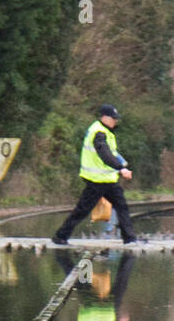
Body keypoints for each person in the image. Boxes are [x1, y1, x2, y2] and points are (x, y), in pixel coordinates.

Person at [53, 104, 140, 245]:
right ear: (104, 117)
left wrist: (121, 163)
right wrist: (120, 168)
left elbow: (111, 152)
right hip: (96, 181)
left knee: (122, 206)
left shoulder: (104, 131)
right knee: (83, 210)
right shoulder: (98, 132)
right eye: (113, 118)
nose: (115, 121)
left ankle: (129, 239)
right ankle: (60, 236)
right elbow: (104, 153)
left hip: (108, 180)